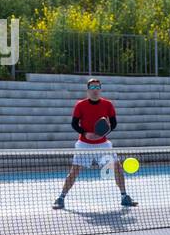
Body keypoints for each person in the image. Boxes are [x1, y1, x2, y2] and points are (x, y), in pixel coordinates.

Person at [52, 78, 136, 210]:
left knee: (117, 167)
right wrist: (85, 133)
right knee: (75, 171)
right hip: (84, 144)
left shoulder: (108, 104)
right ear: (88, 90)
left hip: (103, 144)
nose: (95, 90)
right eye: (92, 87)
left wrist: (103, 133)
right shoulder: (80, 105)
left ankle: (124, 196)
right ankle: (61, 198)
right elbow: (74, 124)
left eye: (97, 87)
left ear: (100, 89)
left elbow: (113, 124)